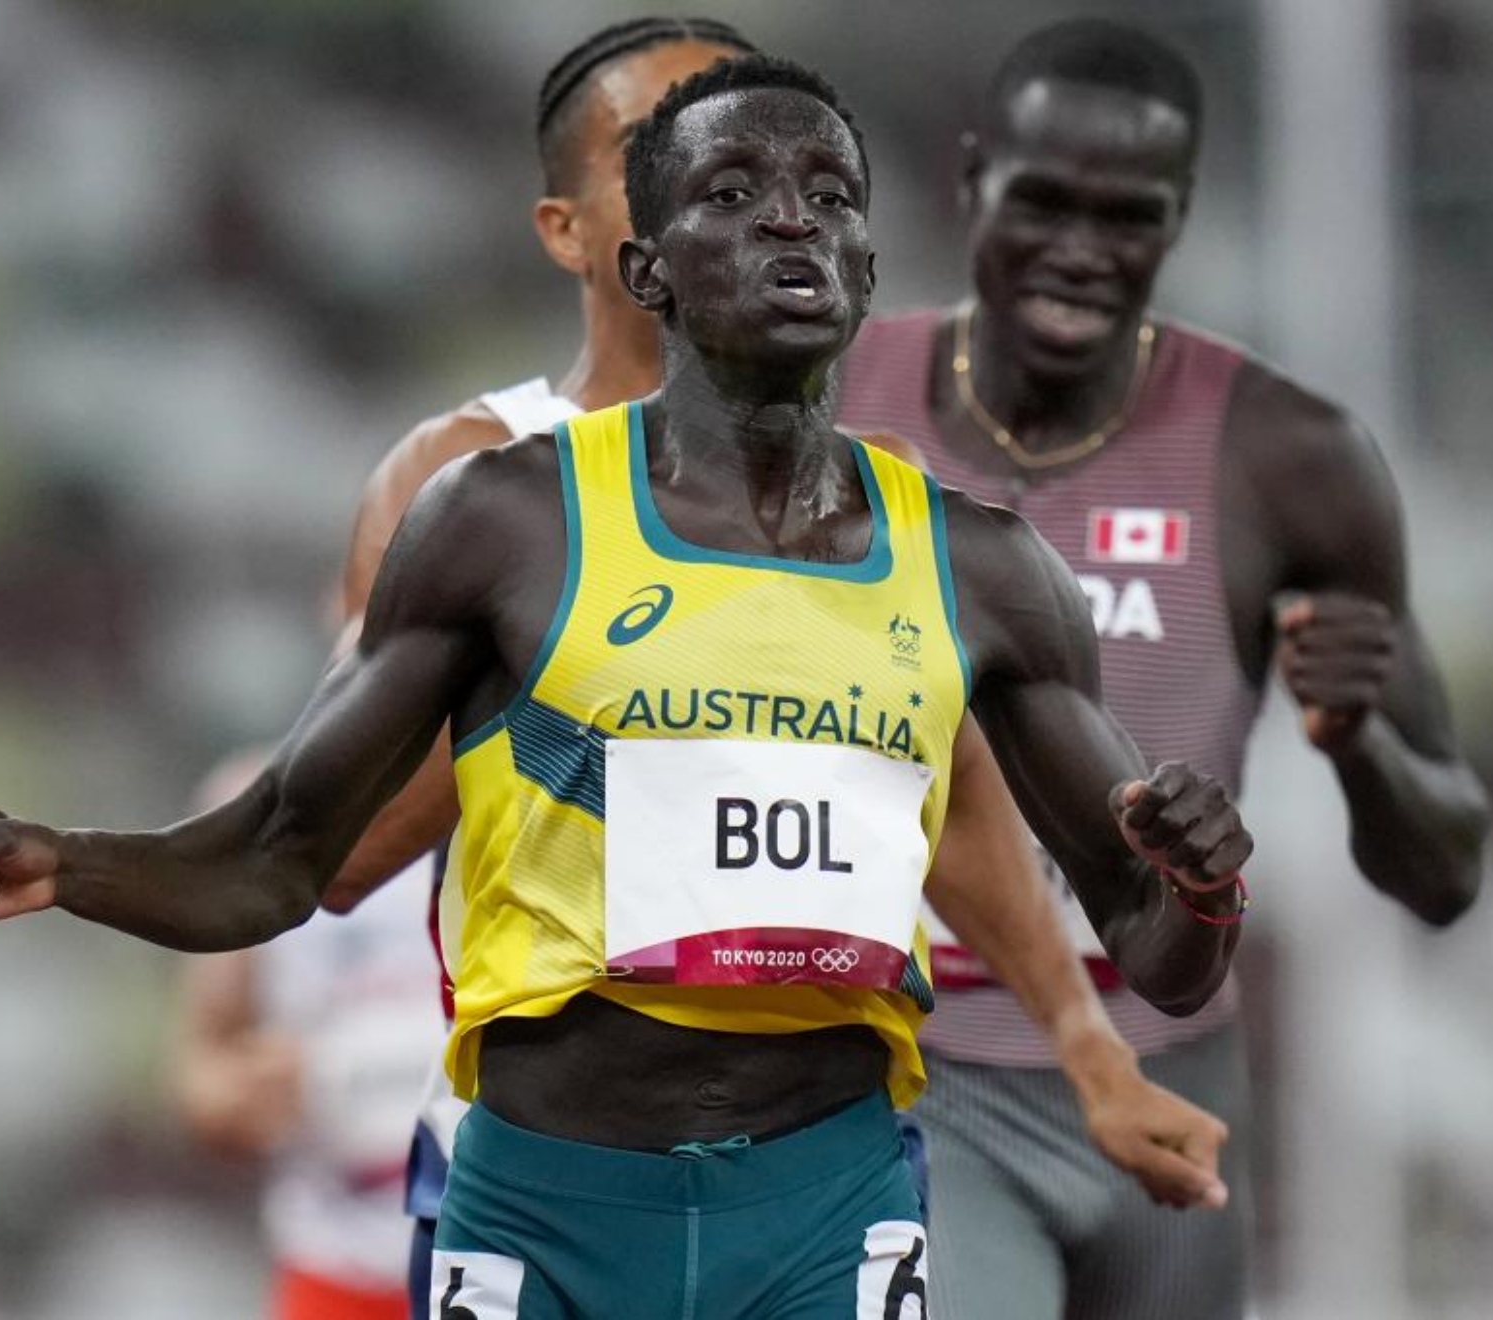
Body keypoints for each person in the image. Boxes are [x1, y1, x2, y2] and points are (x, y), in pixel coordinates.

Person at [0, 54, 1258, 1316]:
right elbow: (283, 855)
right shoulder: (510, 521)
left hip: (832, 1207)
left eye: (829, 193)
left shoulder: (984, 571)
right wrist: (57, 859)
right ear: (646, 268)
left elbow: (1153, 948)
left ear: (870, 268)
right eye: (735, 192)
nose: (792, 217)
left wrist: (1197, 889)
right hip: (548, 1208)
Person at [314, 20, 1239, 1308]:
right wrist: (593, 729)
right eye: (696, 162)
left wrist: (1088, 1050)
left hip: (810, 1159)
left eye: (800, 176)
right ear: (591, 229)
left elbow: (956, 807)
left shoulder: (872, 504)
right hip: (552, 1157)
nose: (774, 211)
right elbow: (338, 849)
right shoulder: (469, 481)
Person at [835, 20, 1491, 1319]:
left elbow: (1446, 871)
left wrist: (1357, 741)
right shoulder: (840, 404)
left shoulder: (1288, 460)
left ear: (1182, 217)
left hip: (1173, 1067)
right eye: (1044, 203)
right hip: (919, 1074)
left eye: (1128, 216)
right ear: (973, 179)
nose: (1081, 251)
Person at [174, 753, 444, 1320]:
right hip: (341, 1270)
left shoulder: (543, 773)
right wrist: (255, 1094)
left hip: (509, 1260)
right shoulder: (253, 805)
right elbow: (203, 1078)